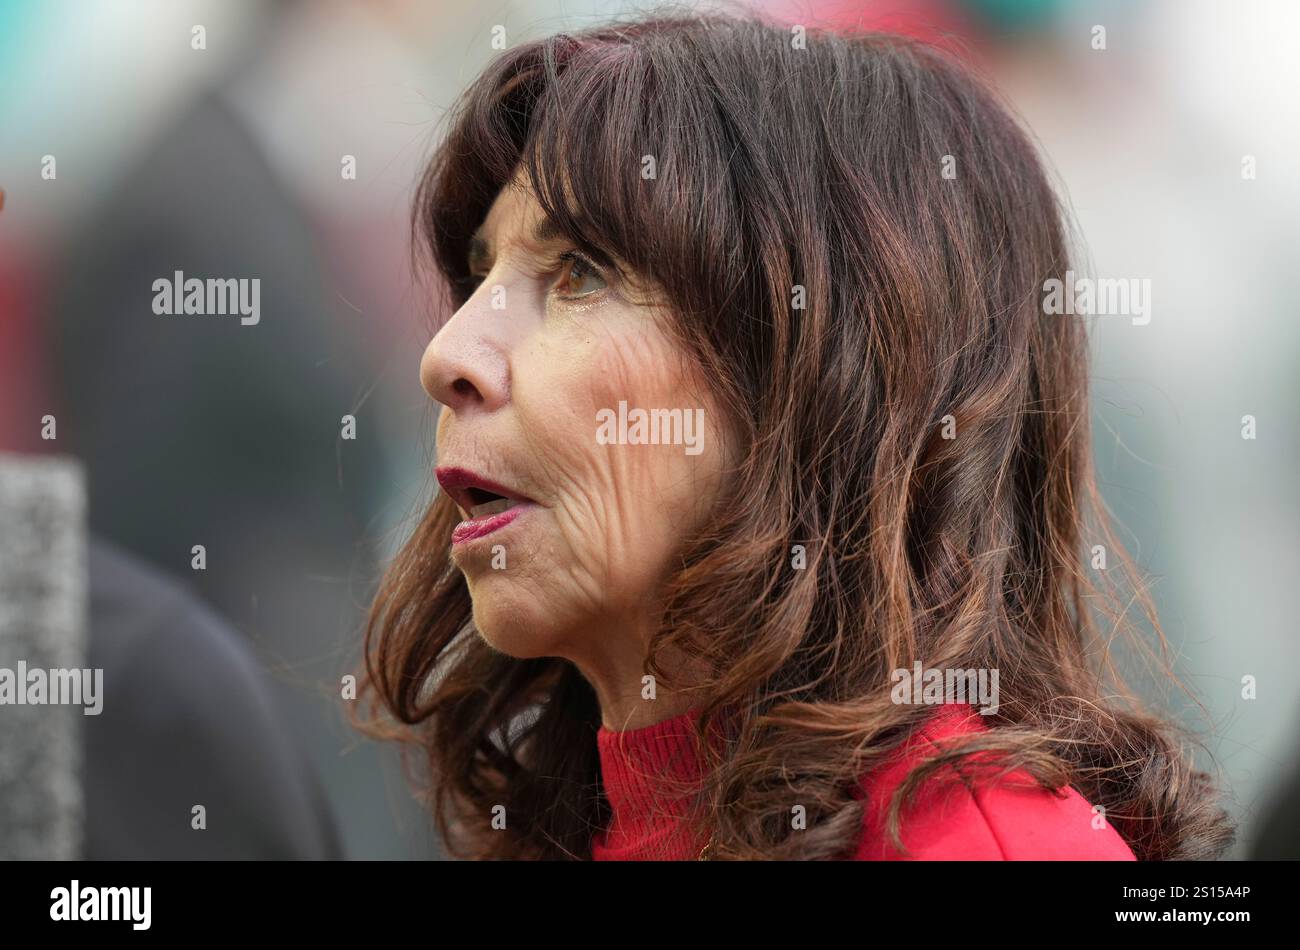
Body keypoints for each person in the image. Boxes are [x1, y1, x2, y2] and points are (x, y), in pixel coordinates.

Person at [350, 15, 1234, 860]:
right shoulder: (576, 820)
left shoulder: (986, 847)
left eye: (580, 271)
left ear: (829, 375)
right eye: (478, 274)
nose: (448, 353)